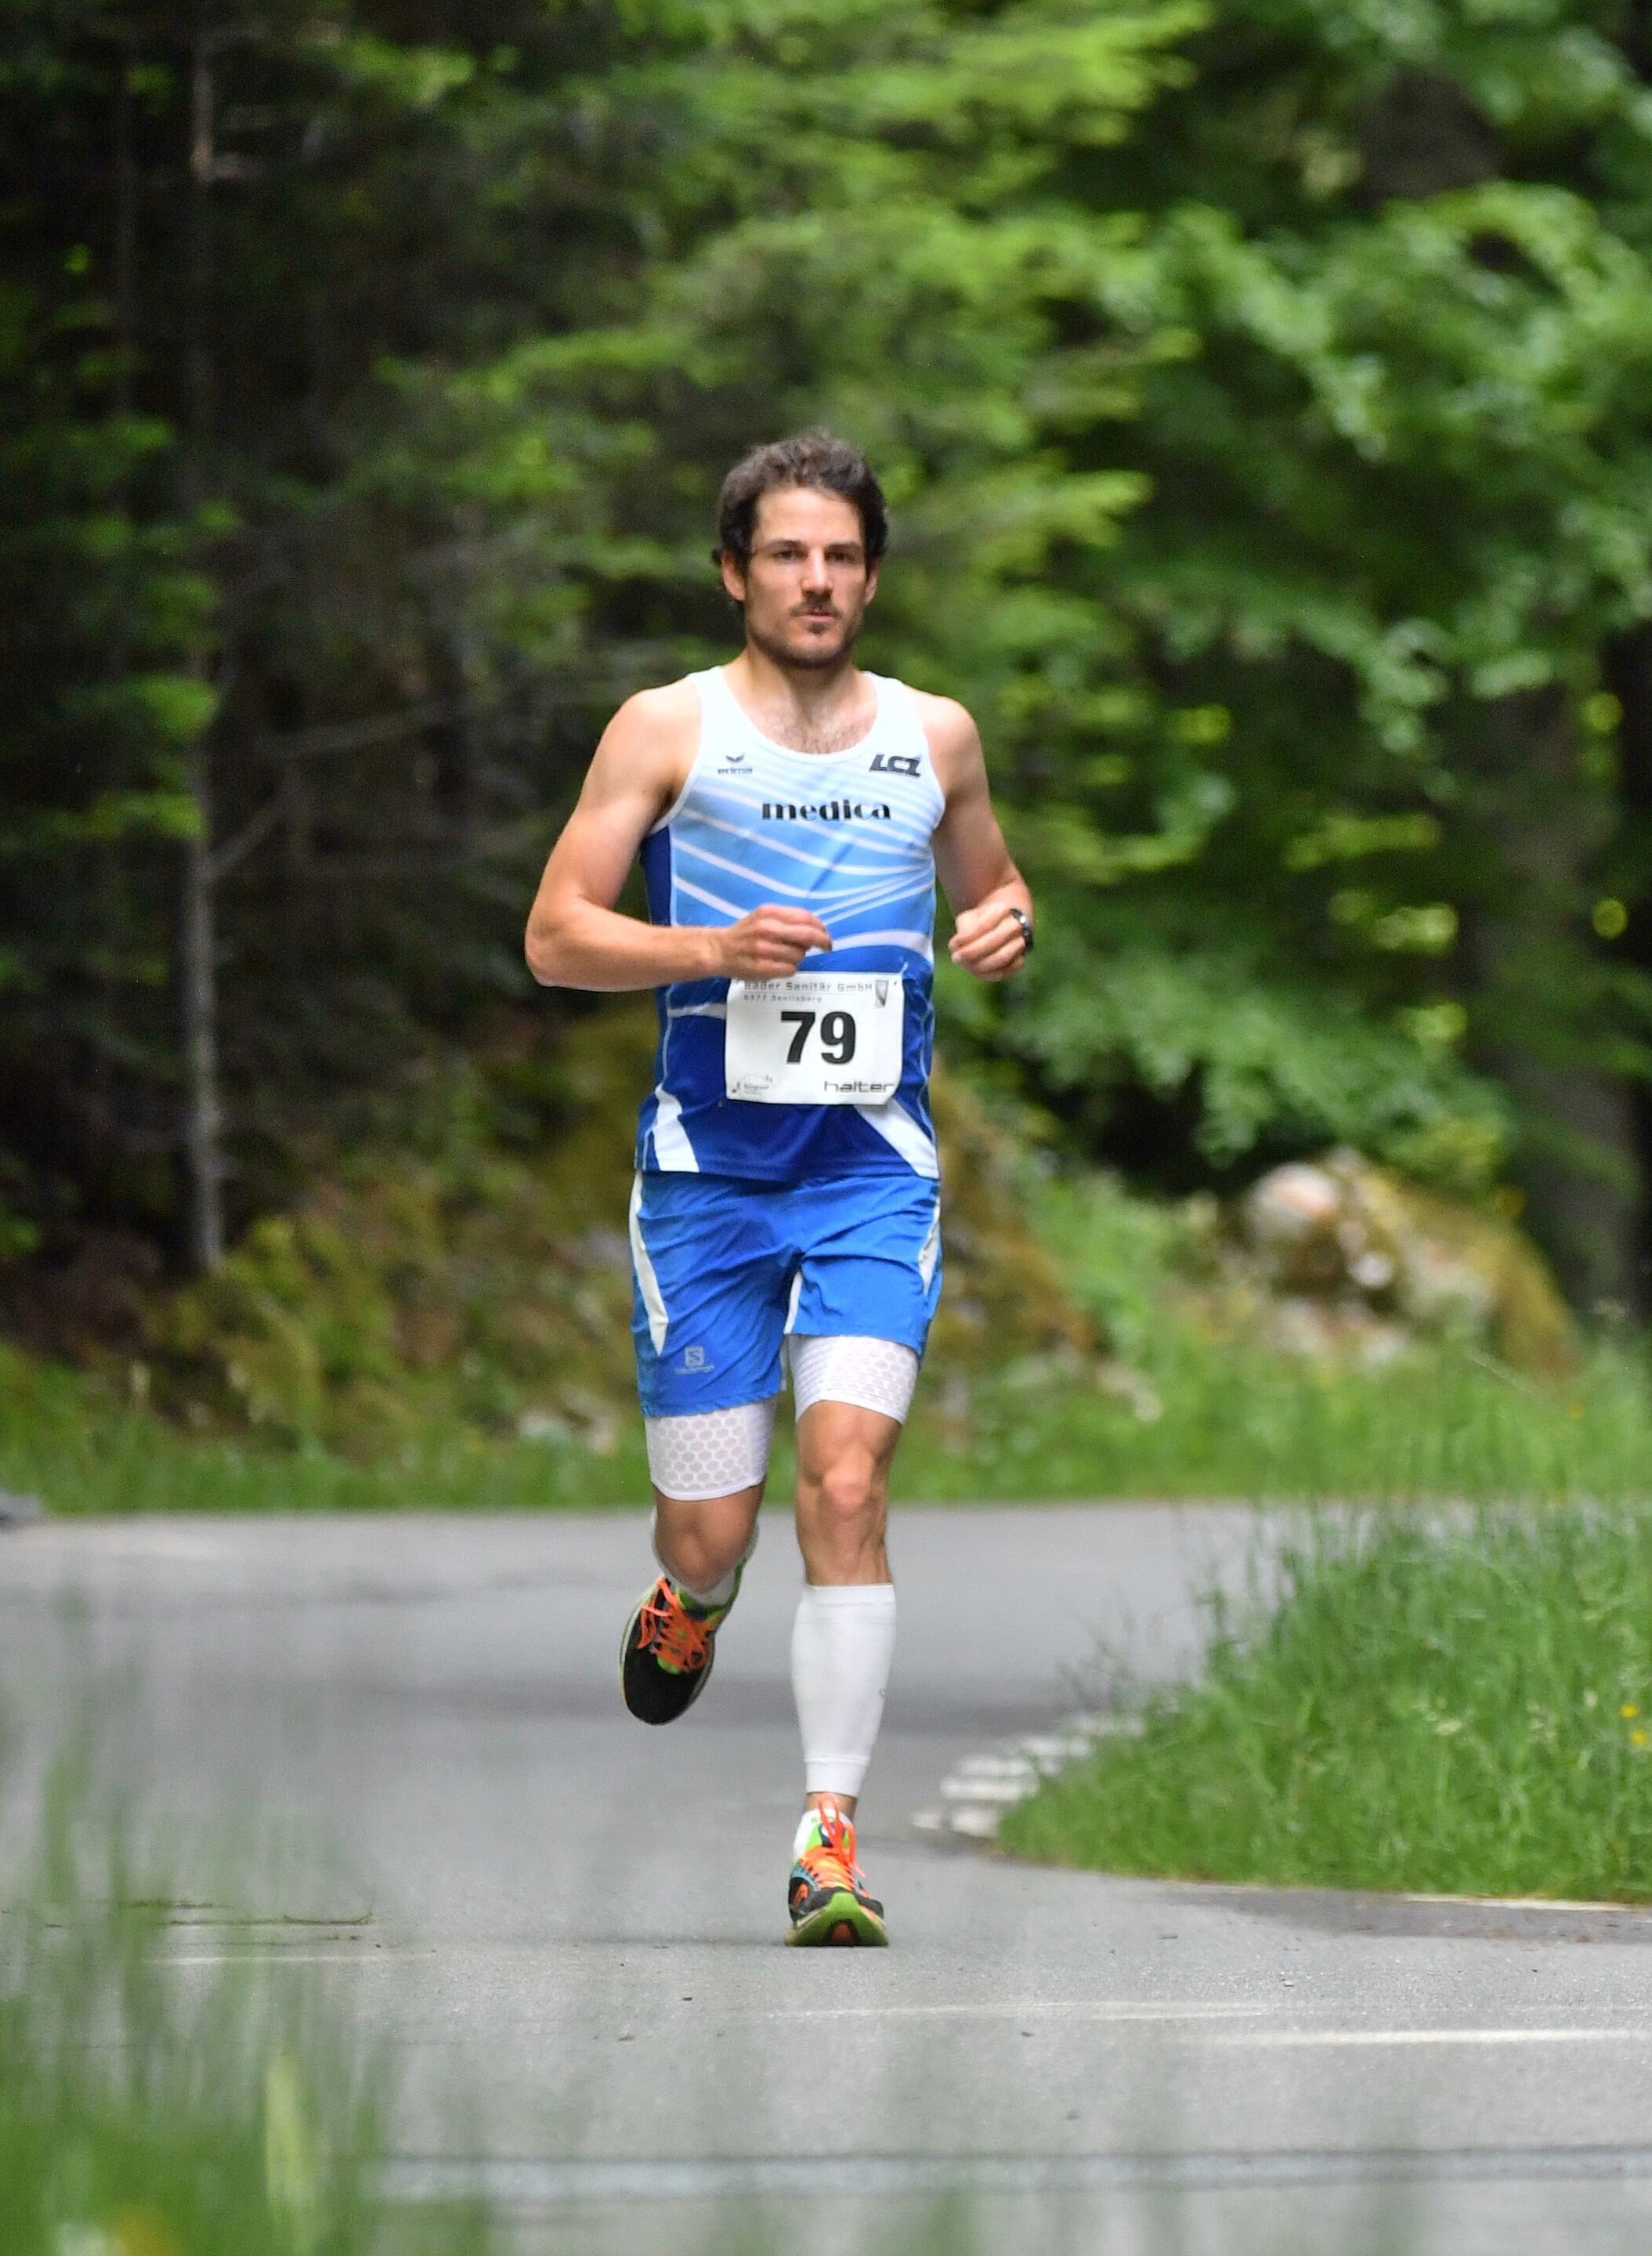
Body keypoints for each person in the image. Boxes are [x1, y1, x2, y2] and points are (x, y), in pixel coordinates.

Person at [525, 431, 1032, 1947]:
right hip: (708, 1186)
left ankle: (829, 1838)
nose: (817, 582)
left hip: (873, 1173)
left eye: (843, 557)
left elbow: (993, 889)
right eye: (788, 556)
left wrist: (1004, 926)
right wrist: (704, 950)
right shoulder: (665, 730)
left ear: (872, 576)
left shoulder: (934, 738)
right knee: (716, 1531)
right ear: (735, 574)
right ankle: (692, 1600)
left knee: (852, 1483)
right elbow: (556, 935)